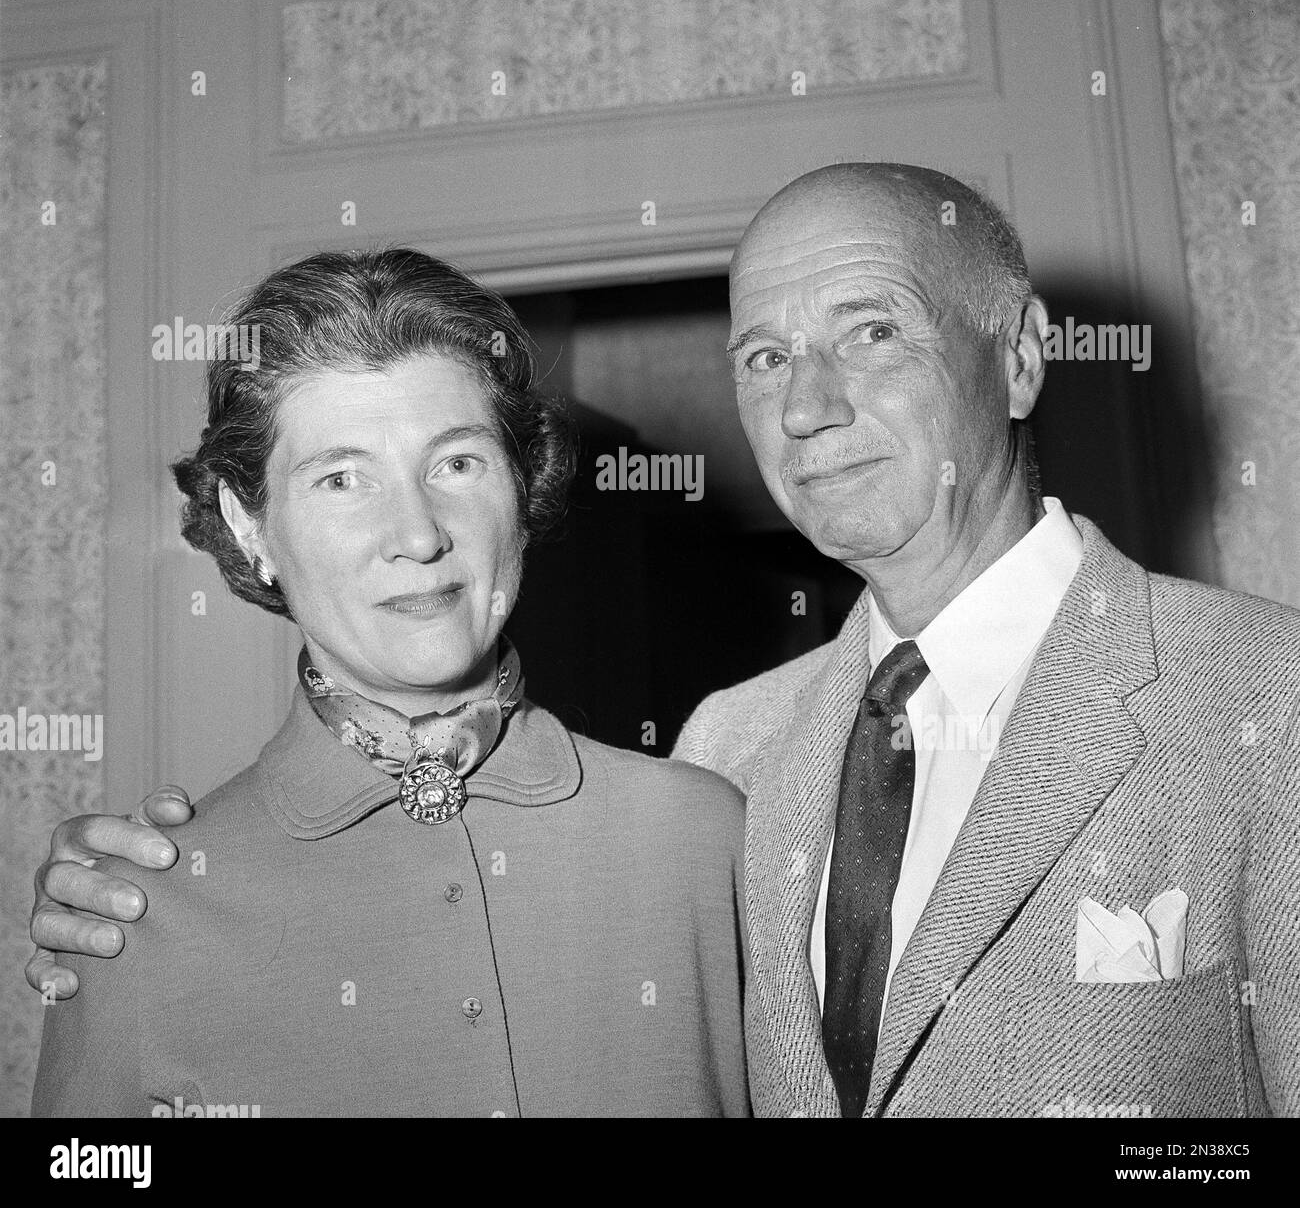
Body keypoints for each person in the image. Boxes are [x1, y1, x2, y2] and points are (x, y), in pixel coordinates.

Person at [30, 165, 1300, 1118]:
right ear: (248, 528)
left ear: (1020, 357)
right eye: (341, 478)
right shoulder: (735, 751)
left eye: (871, 330)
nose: (809, 406)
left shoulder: (1261, 701)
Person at [29, 248, 748, 1118]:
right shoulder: (134, 911)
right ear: (246, 522)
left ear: (523, 488)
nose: (416, 534)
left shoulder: (707, 841)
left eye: (456, 463)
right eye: (342, 478)